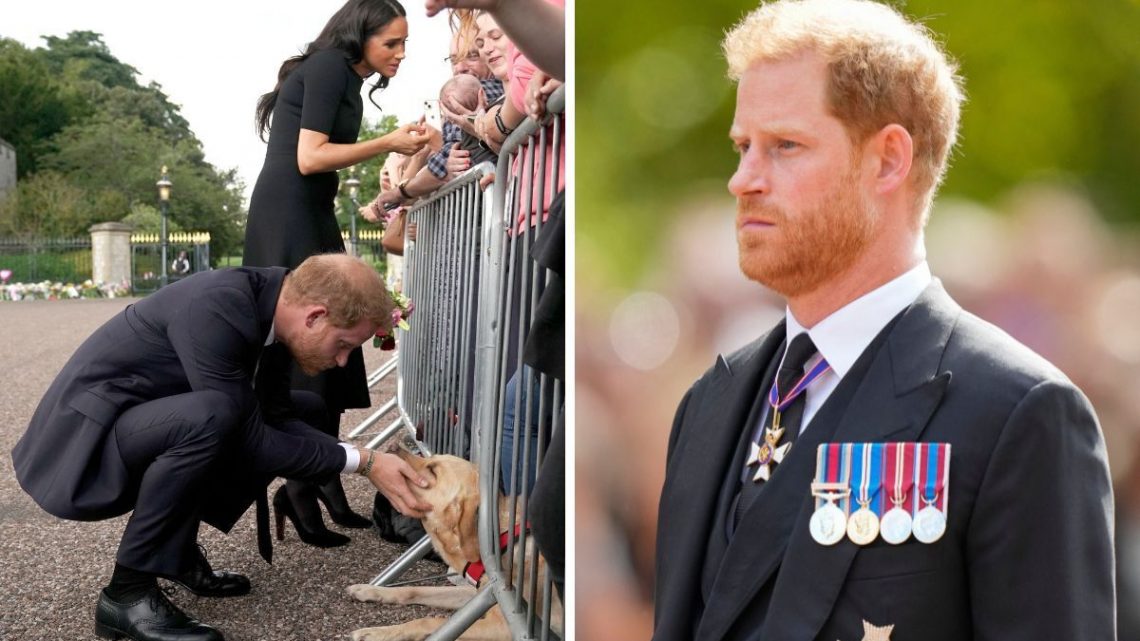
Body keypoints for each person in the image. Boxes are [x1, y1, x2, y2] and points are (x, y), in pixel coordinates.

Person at [652, 2, 1115, 640]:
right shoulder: (711, 402)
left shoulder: (1019, 412)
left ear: (888, 161)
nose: (743, 180)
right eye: (743, 146)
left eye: (785, 145)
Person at [11, 254, 432, 641]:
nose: (342, 361)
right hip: (83, 443)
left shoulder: (273, 311)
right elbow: (247, 437)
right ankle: (126, 594)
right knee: (213, 417)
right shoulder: (219, 304)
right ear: (315, 316)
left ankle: (176, 555)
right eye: (344, 345)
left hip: (138, 425)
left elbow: (277, 418)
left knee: (305, 409)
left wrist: (360, 456)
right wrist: (364, 462)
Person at [244, 0, 429, 548]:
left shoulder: (345, 77)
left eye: (404, 44)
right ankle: (306, 485)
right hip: (289, 213)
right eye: (391, 43)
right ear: (360, 36)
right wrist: (389, 143)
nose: (400, 54)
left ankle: (318, 479)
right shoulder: (328, 67)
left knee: (330, 346)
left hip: (311, 211)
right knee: (310, 345)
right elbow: (309, 157)